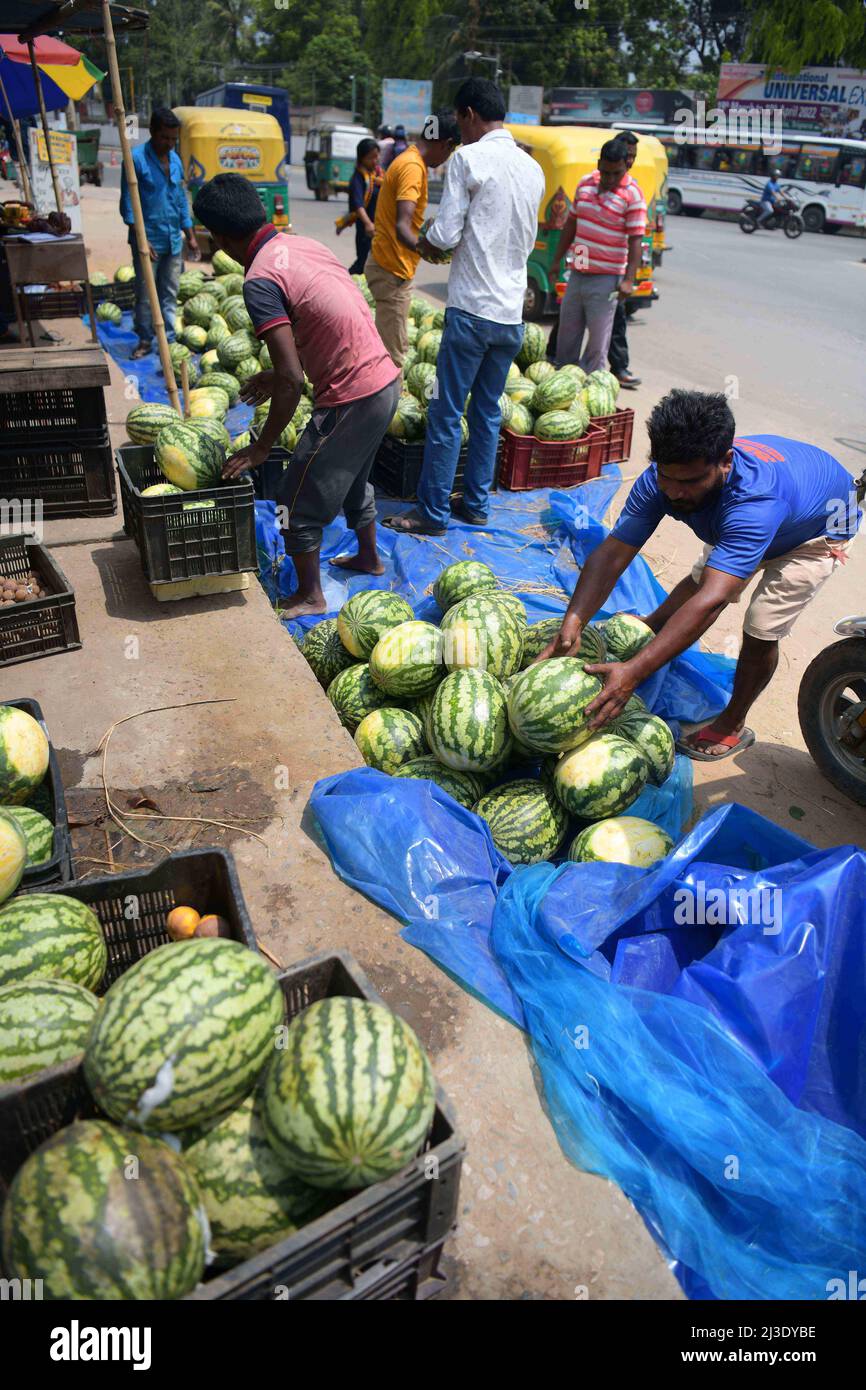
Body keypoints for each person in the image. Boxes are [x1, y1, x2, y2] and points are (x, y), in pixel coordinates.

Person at [539, 390, 860, 760]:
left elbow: (713, 601)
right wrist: (573, 623)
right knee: (699, 579)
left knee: (760, 626)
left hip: (822, 525)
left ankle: (732, 723)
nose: (674, 491)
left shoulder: (753, 505)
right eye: (667, 477)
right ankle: (654, 626)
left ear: (725, 462)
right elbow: (613, 554)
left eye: (689, 482)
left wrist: (634, 672)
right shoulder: (663, 479)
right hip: (773, 503)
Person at [191, 174, 401, 619]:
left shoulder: (259, 280)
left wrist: (262, 446)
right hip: (385, 382)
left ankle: (310, 595)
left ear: (221, 238)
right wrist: (279, 373)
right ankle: (369, 558)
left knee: (293, 498)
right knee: (353, 479)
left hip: (351, 398)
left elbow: (292, 380)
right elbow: (324, 317)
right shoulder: (302, 245)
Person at [384, 77, 545, 536]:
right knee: (488, 413)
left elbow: (445, 235)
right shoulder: (532, 168)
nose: (458, 129)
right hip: (510, 317)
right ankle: (475, 504)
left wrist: (423, 242)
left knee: (445, 413)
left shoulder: (467, 160)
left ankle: (431, 513)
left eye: (458, 119)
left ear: (470, 114)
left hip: (472, 311)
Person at [365, 110, 460, 367]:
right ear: (445, 144)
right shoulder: (412, 168)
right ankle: (389, 407)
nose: (447, 158)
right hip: (391, 269)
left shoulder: (409, 160)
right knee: (394, 356)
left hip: (389, 266)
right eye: (451, 151)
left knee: (388, 346)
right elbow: (402, 226)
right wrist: (429, 249)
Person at [550, 137, 646, 374]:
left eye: (616, 173)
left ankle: (591, 383)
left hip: (607, 276)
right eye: (605, 172)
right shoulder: (584, 184)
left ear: (626, 166)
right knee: (567, 334)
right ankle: (564, 375)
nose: (610, 179)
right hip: (578, 270)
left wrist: (628, 279)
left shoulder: (633, 195)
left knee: (597, 342)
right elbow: (571, 225)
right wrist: (556, 260)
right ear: (598, 163)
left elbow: (636, 241)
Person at [120, 108, 200, 358]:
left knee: (169, 292)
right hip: (148, 241)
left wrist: (191, 235)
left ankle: (168, 340)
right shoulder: (135, 160)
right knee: (145, 293)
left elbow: (179, 201)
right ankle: (145, 339)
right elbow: (128, 205)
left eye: (173, 139)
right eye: (164, 138)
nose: (169, 143)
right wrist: (142, 240)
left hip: (172, 240)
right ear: (152, 132)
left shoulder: (175, 160)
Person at [606, 130, 641, 390]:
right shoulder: (604, 180)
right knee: (572, 313)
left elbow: (635, 236)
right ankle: (555, 356)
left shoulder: (631, 187)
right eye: (627, 156)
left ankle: (618, 367)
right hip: (592, 264)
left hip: (615, 267)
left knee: (616, 317)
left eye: (633, 157)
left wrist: (629, 276)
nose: (630, 161)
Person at [335, 137, 380, 275]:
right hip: (366, 230)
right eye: (370, 158)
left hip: (379, 227)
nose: (374, 161)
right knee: (363, 263)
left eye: (376, 157)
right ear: (361, 158)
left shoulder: (376, 175)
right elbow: (358, 204)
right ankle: (344, 282)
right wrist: (368, 224)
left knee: (374, 263)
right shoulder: (358, 178)